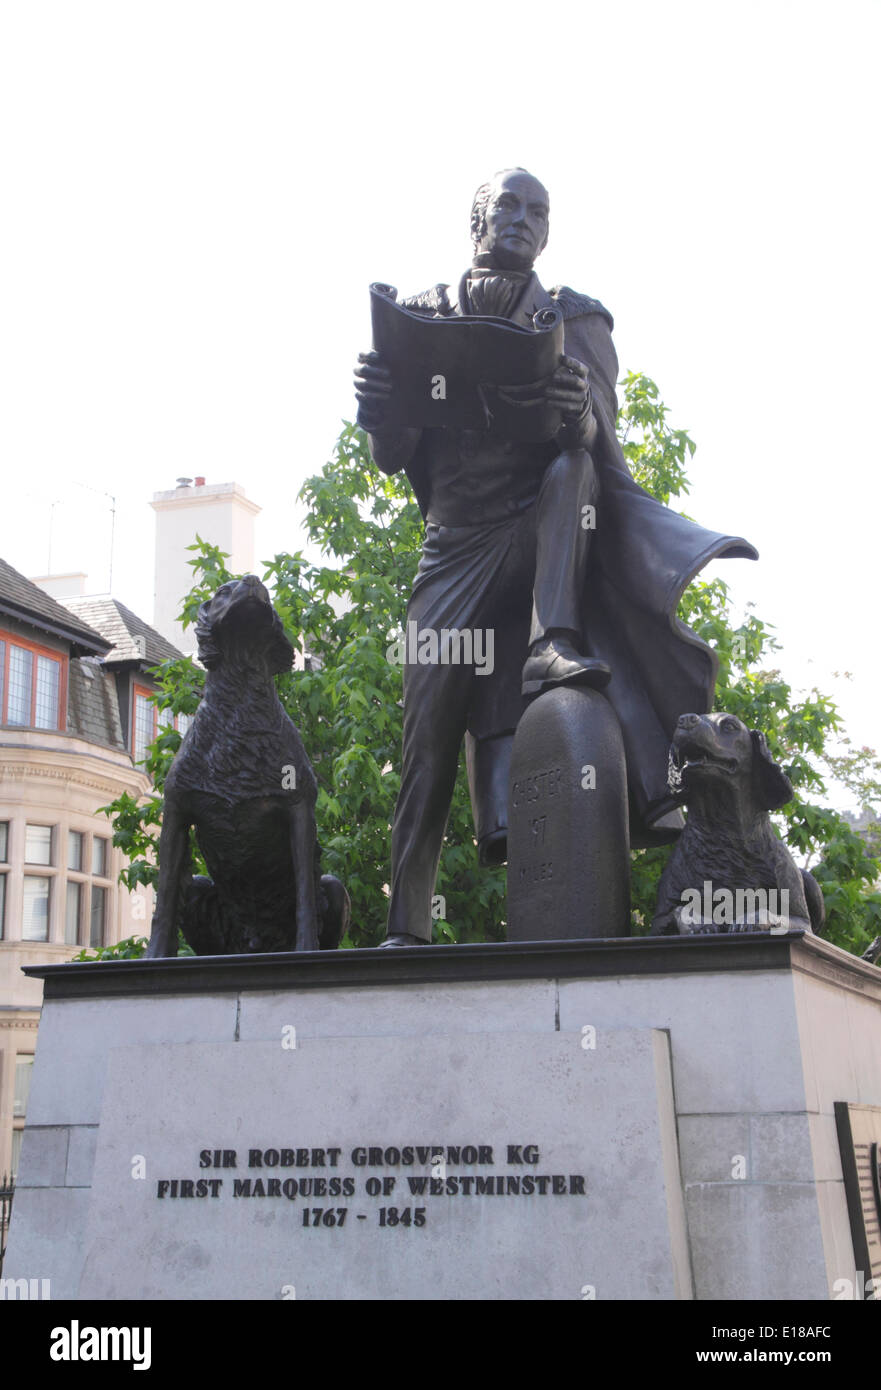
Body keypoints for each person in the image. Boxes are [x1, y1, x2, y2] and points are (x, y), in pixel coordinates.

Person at [355, 168, 755, 947]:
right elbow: (392, 452)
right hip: (452, 551)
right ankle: (408, 926)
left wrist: (576, 421)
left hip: (541, 526)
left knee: (569, 473)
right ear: (475, 218)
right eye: (507, 204)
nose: (521, 219)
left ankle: (551, 643)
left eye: (537, 210)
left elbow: (600, 454)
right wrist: (377, 410)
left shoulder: (574, 321)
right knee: (426, 736)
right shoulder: (420, 315)